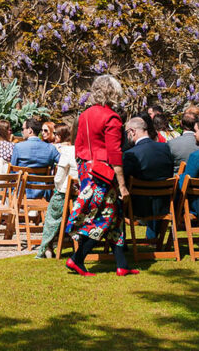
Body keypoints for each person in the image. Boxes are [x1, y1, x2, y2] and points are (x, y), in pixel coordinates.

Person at [64, 74, 133, 276]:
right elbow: (115, 154)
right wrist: (122, 185)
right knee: (106, 216)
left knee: (114, 216)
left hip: (86, 169)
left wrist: (84, 170)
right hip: (104, 173)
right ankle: (77, 259)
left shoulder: (84, 115)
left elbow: (78, 147)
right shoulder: (112, 117)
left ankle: (122, 265)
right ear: (113, 93)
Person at [121, 114, 176, 227]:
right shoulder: (165, 148)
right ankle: (153, 235)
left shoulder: (131, 154)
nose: (127, 136)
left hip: (139, 207)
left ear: (132, 131)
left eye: (127, 133)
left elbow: (125, 180)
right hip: (164, 204)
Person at [37, 121, 78, 258]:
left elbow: (59, 177)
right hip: (85, 195)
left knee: (53, 216)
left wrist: (58, 188)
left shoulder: (67, 151)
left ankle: (47, 247)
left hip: (67, 194)